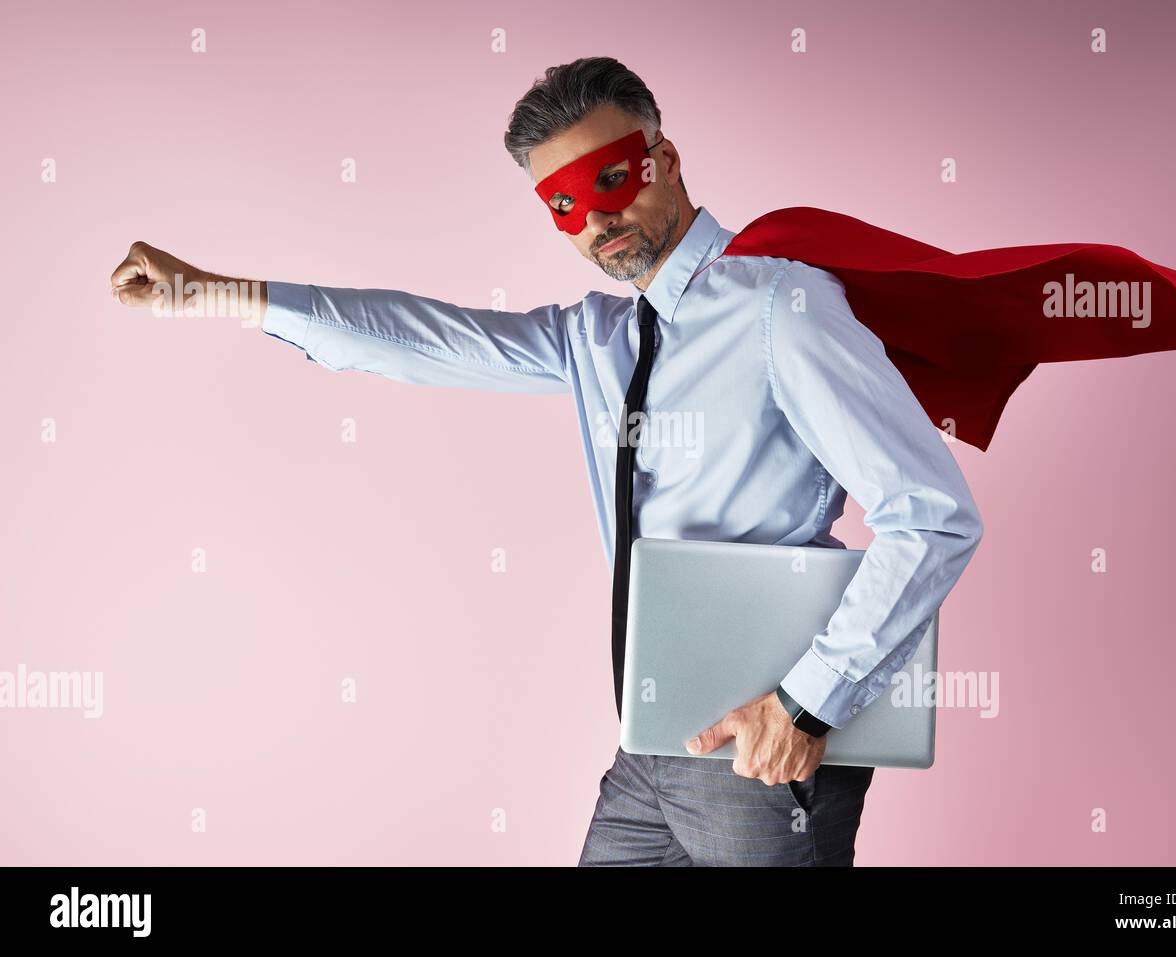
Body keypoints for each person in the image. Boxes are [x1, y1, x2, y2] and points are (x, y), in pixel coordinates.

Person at [109, 56, 983, 867]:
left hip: (758, 753)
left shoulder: (778, 304)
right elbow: (422, 339)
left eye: (611, 181)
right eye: (563, 205)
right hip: (651, 740)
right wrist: (214, 293)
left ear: (665, 158)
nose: (595, 220)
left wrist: (807, 703)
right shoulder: (594, 338)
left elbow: (932, 513)